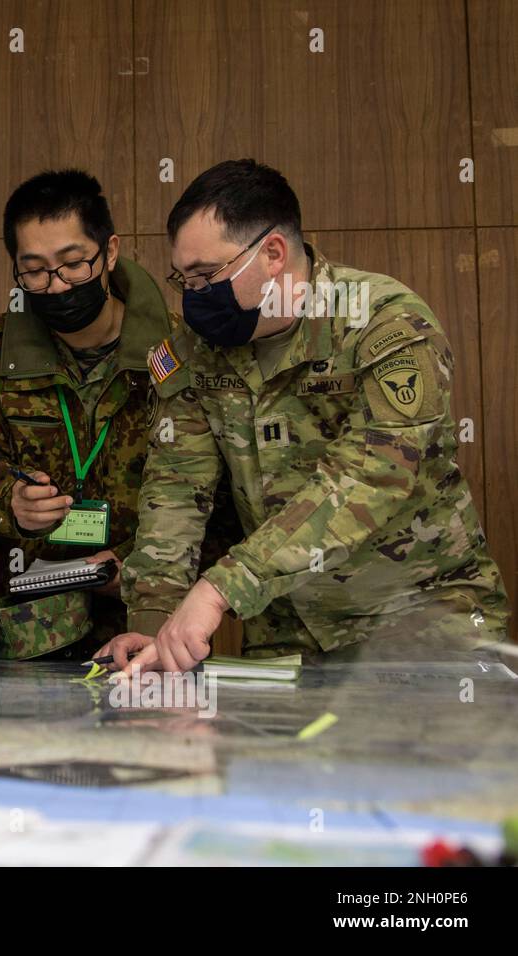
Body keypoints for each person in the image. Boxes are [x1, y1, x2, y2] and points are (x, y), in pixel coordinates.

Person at [102, 159, 510, 673]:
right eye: (183, 279)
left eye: (207, 276)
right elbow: (179, 486)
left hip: (419, 622)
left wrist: (220, 589)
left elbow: (376, 473)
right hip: (285, 633)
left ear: (272, 253)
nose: (194, 296)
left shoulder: (382, 322)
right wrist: (153, 614)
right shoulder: (193, 351)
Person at [0, 169, 238, 660]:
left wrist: (137, 568)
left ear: (110, 252)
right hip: (29, 630)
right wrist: (10, 499)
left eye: (74, 264)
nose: (56, 286)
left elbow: (223, 498)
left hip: (153, 628)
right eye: (34, 270)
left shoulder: (182, 351)